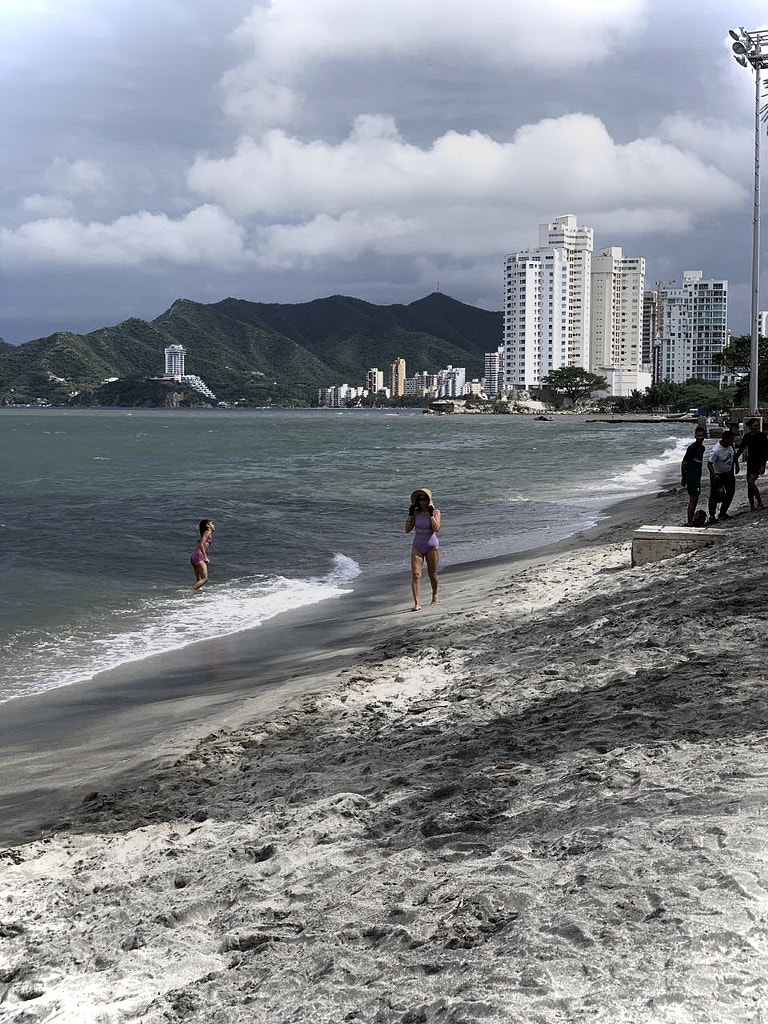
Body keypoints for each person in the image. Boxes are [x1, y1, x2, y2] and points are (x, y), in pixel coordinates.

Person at [405, 488, 441, 611]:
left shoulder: (436, 512)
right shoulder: (415, 513)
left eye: (424, 499)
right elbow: (407, 529)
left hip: (432, 546)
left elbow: (436, 529)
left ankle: (435, 594)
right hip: (417, 546)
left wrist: (431, 515)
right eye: (420, 499)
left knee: (432, 573)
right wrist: (410, 515)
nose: (422, 502)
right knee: (416, 574)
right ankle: (417, 603)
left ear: (429, 500)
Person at [734, 418, 768, 512]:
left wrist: (763, 465)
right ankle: (752, 506)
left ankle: (760, 503)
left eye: (758, 425)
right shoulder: (747, 437)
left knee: (751, 481)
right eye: (755, 426)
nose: (757, 427)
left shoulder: (762, 436)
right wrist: (736, 461)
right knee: (749, 486)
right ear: (750, 427)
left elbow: (766, 452)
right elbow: (741, 449)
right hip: (751, 463)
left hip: (759, 463)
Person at [707, 431, 737, 523]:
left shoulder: (730, 446)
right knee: (715, 495)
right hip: (718, 474)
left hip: (728, 473)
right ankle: (712, 515)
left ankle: (723, 512)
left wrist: (737, 465)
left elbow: (734, 455)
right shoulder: (716, 450)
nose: (732, 441)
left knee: (730, 492)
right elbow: (709, 464)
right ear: (725, 440)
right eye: (731, 439)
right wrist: (714, 475)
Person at [680, 426, 706, 526]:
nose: (700, 437)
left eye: (702, 435)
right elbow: (684, 463)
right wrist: (683, 477)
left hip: (697, 476)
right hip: (691, 476)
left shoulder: (702, 448)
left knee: (696, 498)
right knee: (693, 499)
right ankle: (689, 521)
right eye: (698, 436)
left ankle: (692, 520)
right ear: (695, 436)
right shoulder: (692, 448)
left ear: (704, 436)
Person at [191, 518, 215, 590]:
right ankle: (189, 592)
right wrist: (205, 557)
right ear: (208, 526)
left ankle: (193, 595)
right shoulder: (207, 532)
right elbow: (201, 544)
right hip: (199, 556)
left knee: (199, 580)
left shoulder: (206, 533)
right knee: (205, 579)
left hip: (194, 556)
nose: (214, 525)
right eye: (212, 524)